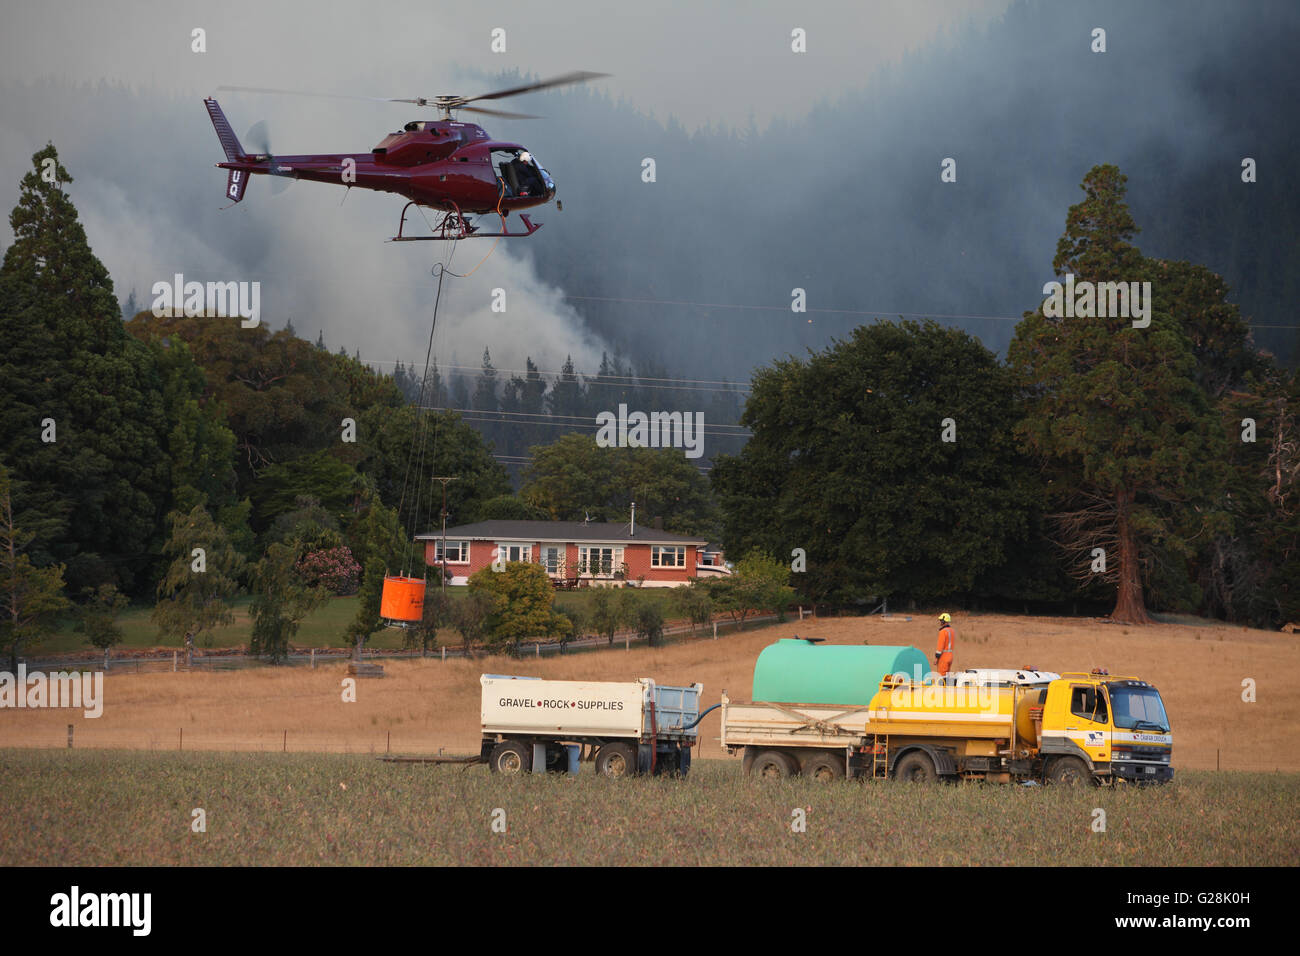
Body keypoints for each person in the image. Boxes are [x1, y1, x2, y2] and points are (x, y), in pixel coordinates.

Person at [935, 613, 955, 678]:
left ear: (944, 621)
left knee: (941, 676)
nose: (940, 622)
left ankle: (942, 688)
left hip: (944, 656)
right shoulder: (952, 631)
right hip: (950, 655)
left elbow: (940, 646)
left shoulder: (943, 631)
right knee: (947, 676)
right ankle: (947, 687)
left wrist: (936, 658)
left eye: (941, 620)